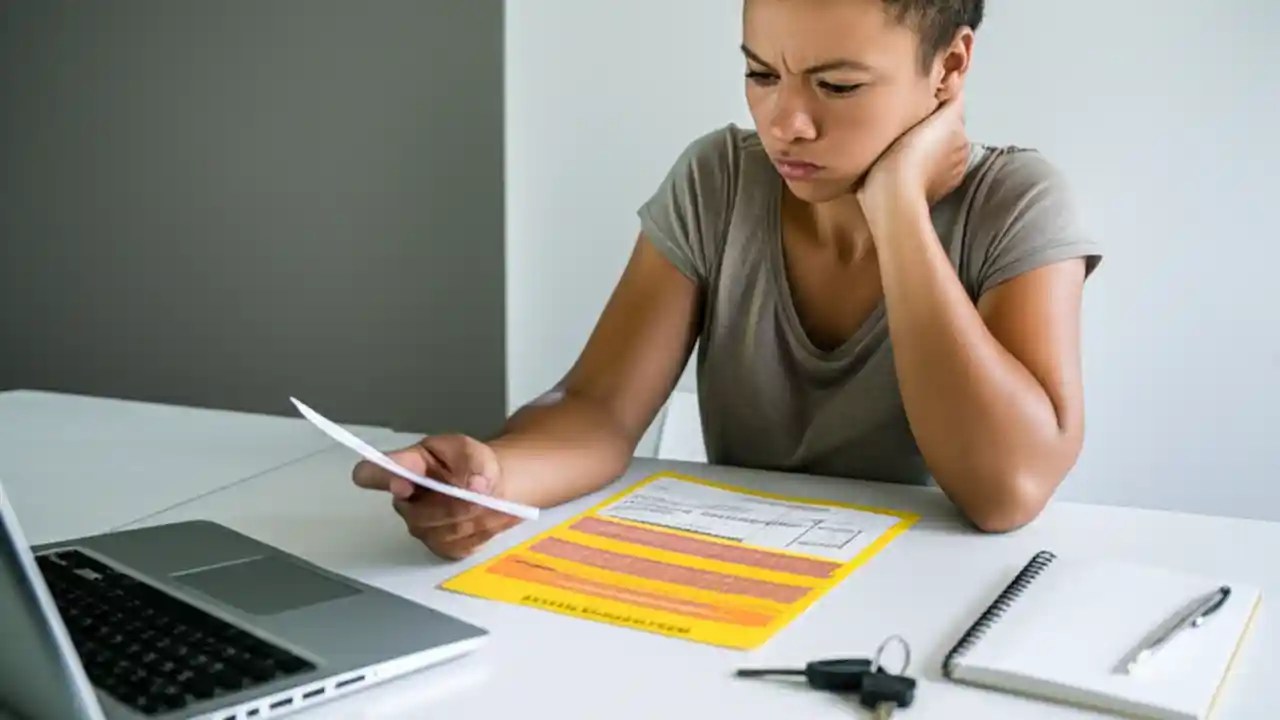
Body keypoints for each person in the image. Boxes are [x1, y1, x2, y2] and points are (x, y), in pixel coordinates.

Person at [353, 0, 1103, 559]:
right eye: (761, 74)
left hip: (928, 610)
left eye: (838, 85)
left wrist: (899, 208)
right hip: (743, 583)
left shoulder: (1016, 203)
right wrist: (494, 480)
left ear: (950, 66)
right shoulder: (719, 181)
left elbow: (1007, 492)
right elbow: (598, 408)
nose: (787, 123)